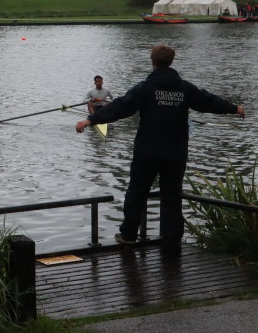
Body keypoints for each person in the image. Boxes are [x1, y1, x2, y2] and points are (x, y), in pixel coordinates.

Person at [75, 45, 245, 257]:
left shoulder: (145, 88)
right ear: (171, 62)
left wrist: (91, 119)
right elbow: (208, 101)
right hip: (175, 152)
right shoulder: (184, 88)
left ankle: (128, 234)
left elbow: (120, 107)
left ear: (153, 62)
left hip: (147, 150)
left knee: (137, 192)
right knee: (172, 195)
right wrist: (234, 108)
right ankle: (172, 239)